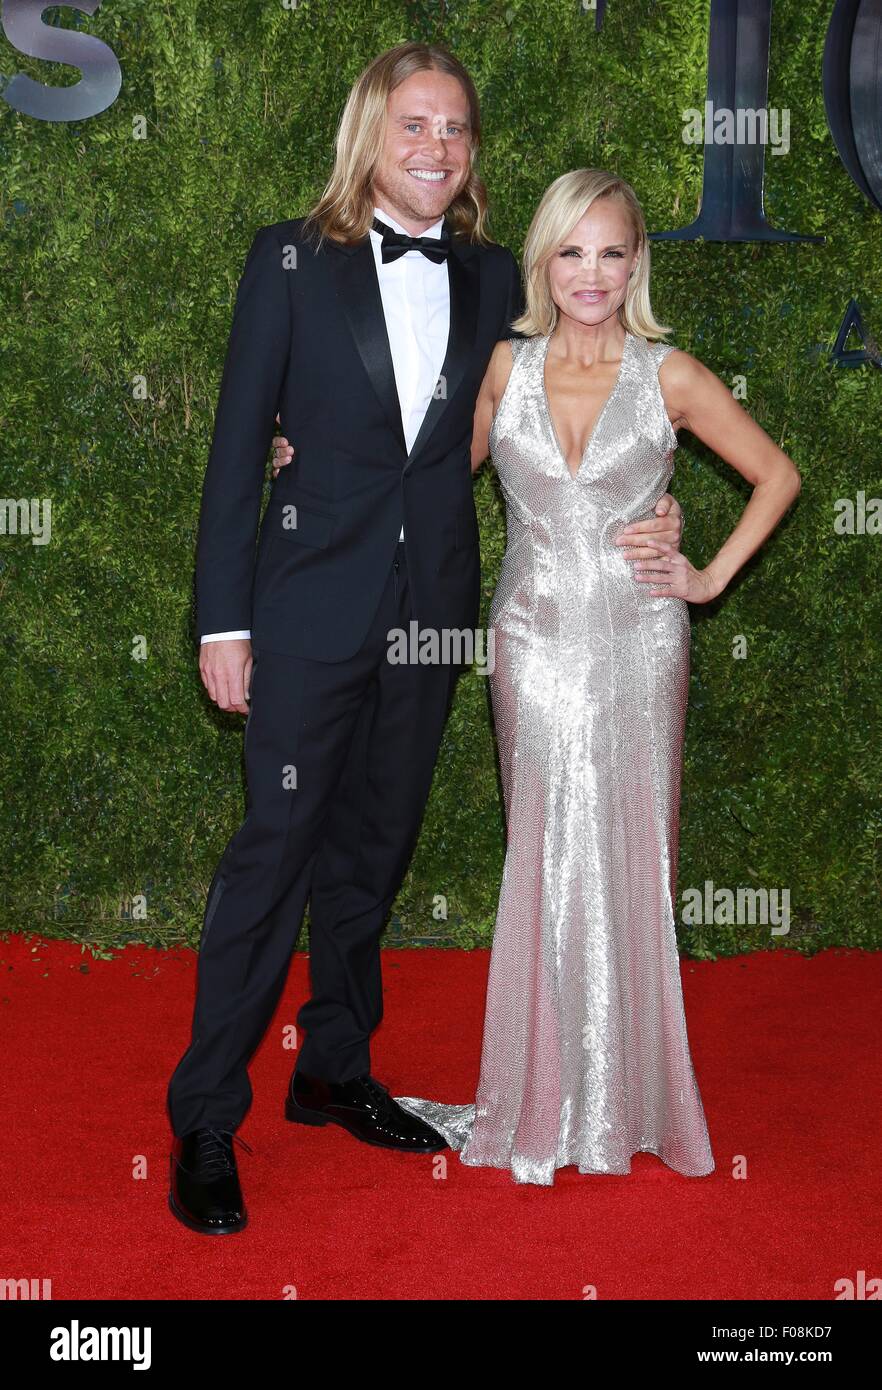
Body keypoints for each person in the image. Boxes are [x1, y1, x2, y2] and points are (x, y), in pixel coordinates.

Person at [168, 46, 684, 1237]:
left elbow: (582, 392)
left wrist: (651, 509)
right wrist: (224, 619)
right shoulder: (288, 258)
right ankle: (203, 1113)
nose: (438, 148)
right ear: (370, 132)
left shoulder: (502, 271)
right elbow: (240, 445)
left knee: (371, 850)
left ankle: (333, 1069)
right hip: (301, 611)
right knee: (274, 856)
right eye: (416, 124)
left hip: (434, 616)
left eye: (456, 129)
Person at [389, 169, 800, 1184]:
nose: (591, 272)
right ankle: (544, 1094)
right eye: (572, 251)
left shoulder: (670, 376)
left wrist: (703, 577)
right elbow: (429, 478)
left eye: (612, 251)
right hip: (530, 639)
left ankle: (625, 1096)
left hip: (638, 638)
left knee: (629, 851)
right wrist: (309, 462)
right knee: (543, 848)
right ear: (543, 260)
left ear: (635, 263)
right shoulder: (503, 368)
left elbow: (779, 474)